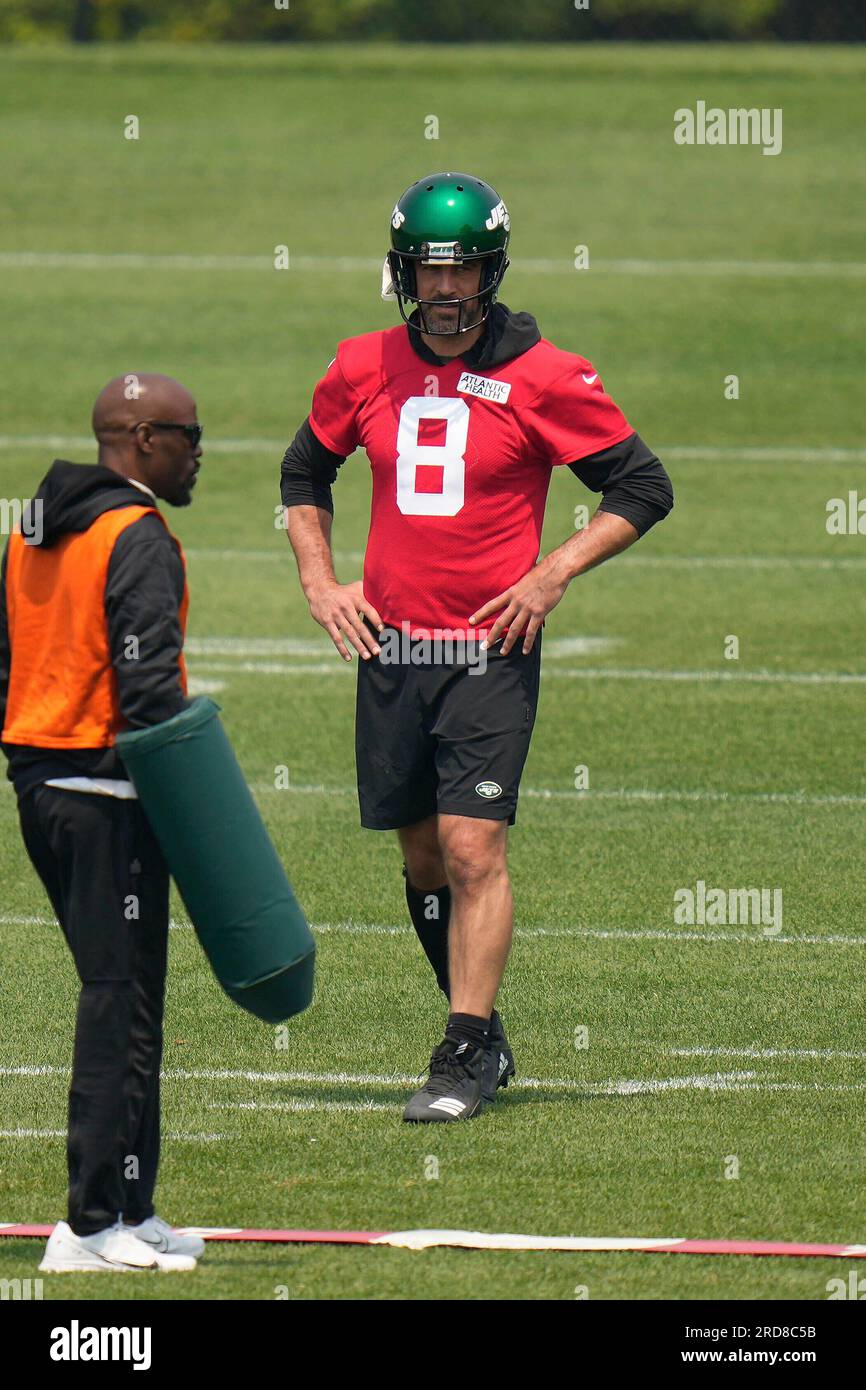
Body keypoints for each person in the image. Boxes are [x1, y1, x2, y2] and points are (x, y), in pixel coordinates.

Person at [281, 172, 673, 1123]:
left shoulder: (544, 373)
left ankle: (459, 1048)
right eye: (430, 270)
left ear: (494, 272)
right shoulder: (362, 363)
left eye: (463, 272)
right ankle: (485, 1040)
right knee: (421, 857)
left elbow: (642, 487)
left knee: (471, 847)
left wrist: (552, 572)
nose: (447, 291)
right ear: (402, 271)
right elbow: (304, 470)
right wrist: (320, 582)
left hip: (488, 648)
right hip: (392, 649)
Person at [0, 372, 206, 1269]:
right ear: (141, 437)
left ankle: (131, 1202)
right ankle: (88, 1226)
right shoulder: (138, 535)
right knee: (117, 1003)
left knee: (131, 1001)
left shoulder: (31, 526)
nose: (199, 452)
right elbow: (150, 688)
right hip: (108, 793)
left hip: (42, 781)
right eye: (189, 436)